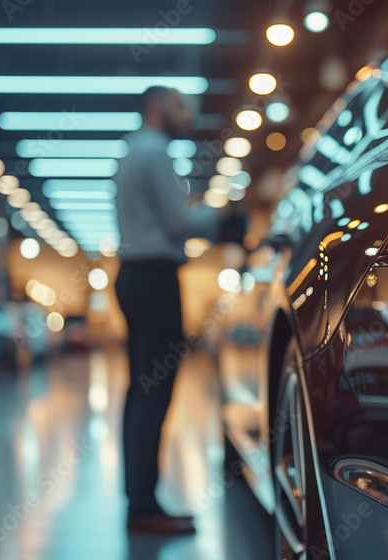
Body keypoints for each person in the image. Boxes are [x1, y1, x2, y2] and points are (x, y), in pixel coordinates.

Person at [114, 86, 219, 534]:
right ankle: (143, 508)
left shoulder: (130, 151)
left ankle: (137, 499)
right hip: (155, 278)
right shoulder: (156, 152)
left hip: (133, 275)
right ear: (157, 106)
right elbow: (179, 223)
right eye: (181, 105)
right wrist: (221, 216)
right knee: (154, 392)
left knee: (140, 391)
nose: (189, 114)